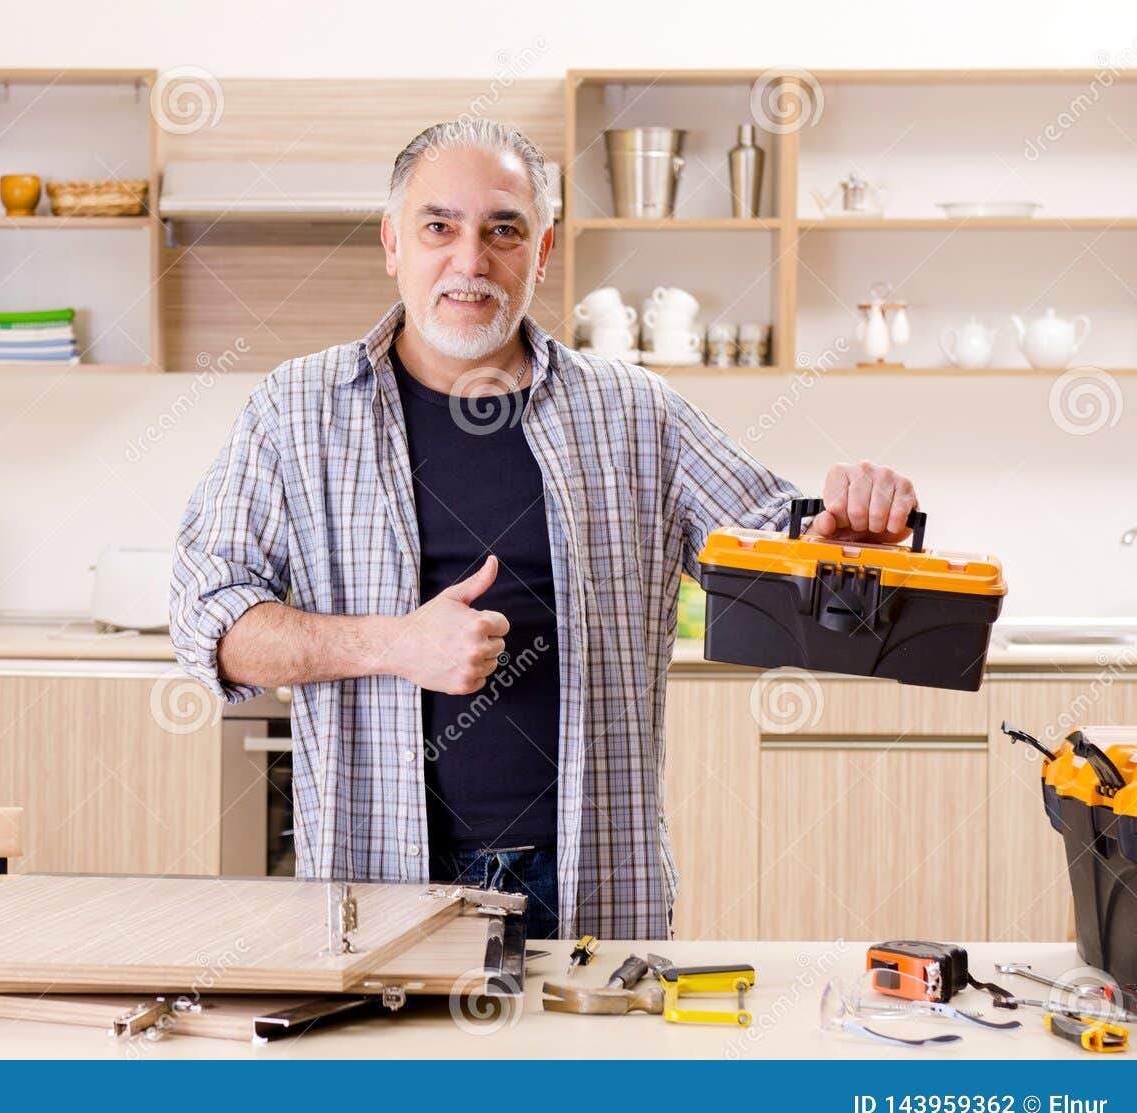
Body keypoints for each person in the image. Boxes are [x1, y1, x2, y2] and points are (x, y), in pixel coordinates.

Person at [169, 119, 918, 940]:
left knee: (591, 1076)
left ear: (543, 250)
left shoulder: (636, 411)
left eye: (503, 230)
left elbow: (783, 556)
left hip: (593, 883)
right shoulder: (295, 410)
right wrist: (394, 645)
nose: (470, 260)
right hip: (376, 884)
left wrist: (854, 540)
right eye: (439, 227)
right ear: (392, 243)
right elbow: (208, 621)